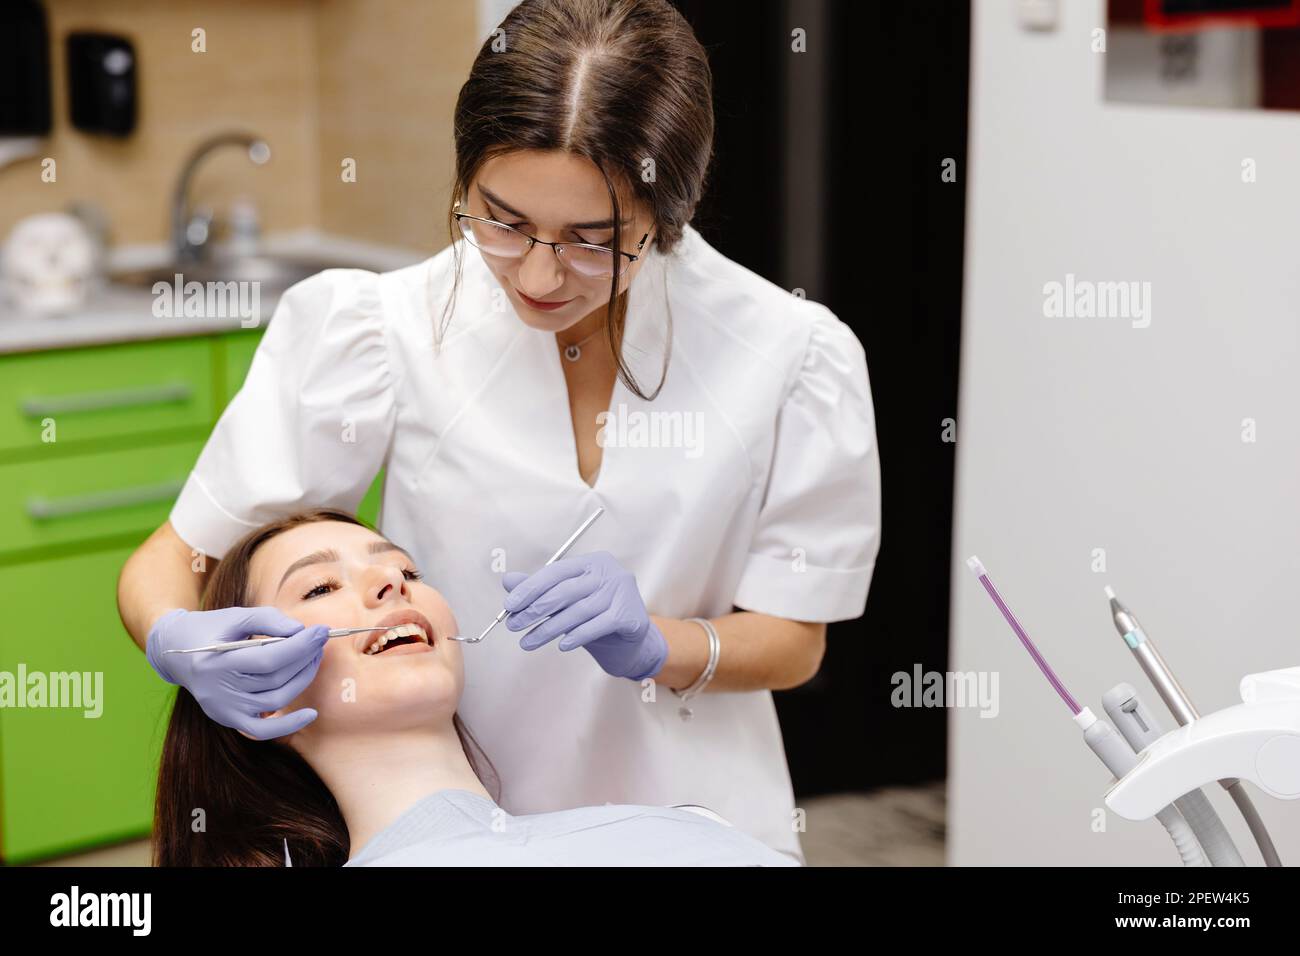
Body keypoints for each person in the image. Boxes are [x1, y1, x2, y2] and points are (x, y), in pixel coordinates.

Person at [120, 0, 880, 863]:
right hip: (465, 825)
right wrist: (177, 646)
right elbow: (172, 561)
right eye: (502, 220)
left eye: (596, 240)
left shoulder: (790, 353)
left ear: (672, 210)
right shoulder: (377, 330)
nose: (541, 275)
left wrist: (659, 642)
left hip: (704, 820)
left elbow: (794, 642)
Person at [153, 509, 797, 867]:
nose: (393, 584)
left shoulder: (683, 829)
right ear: (253, 690)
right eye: (320, 588)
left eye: (405, 568)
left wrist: (666, 644)